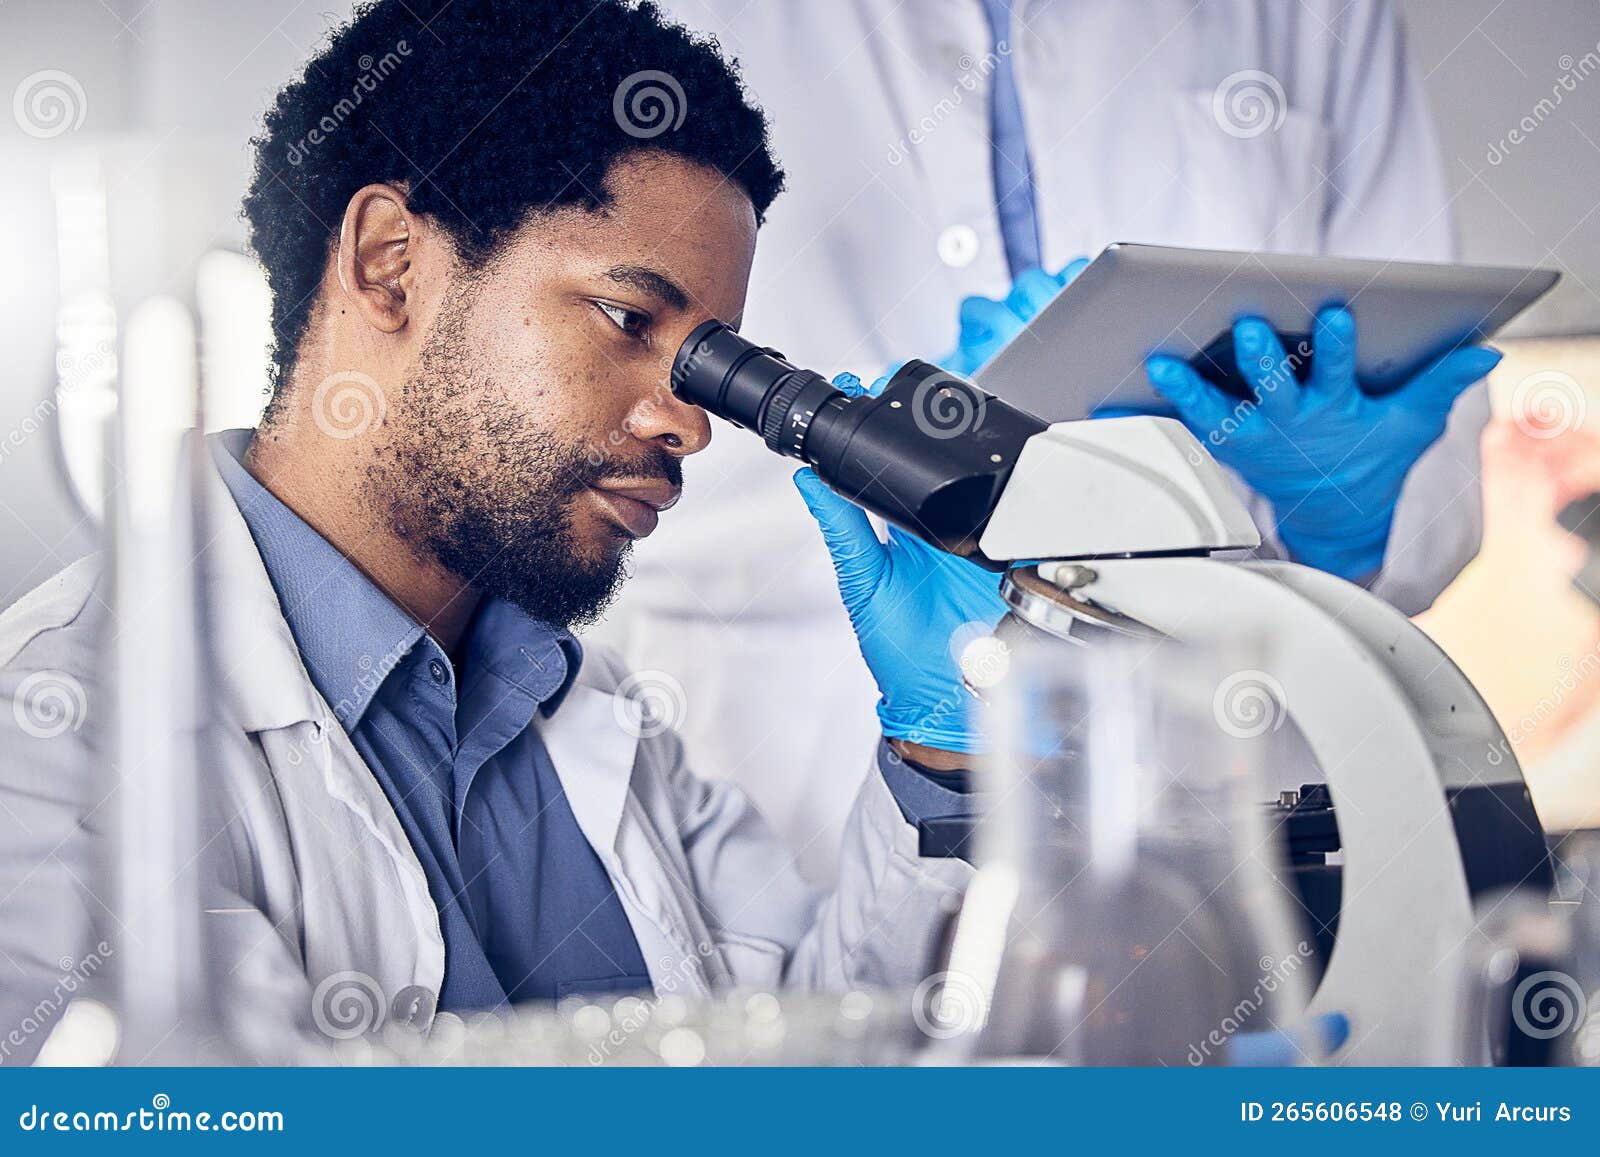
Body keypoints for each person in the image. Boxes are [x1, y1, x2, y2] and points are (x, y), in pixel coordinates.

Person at [0, 0, 993, 1057]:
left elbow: (836, 1049)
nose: (689, 423)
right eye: (627, 318)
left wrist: (939, 749)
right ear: (391, 262)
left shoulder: (599, 715)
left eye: (707, 360)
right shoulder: (55, 741)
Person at [604, 0, 1495, 880]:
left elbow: (1434, 445)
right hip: (799, 785)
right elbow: (571, 448)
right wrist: (913, 463)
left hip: (1228, 795)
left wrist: (1342, 513)